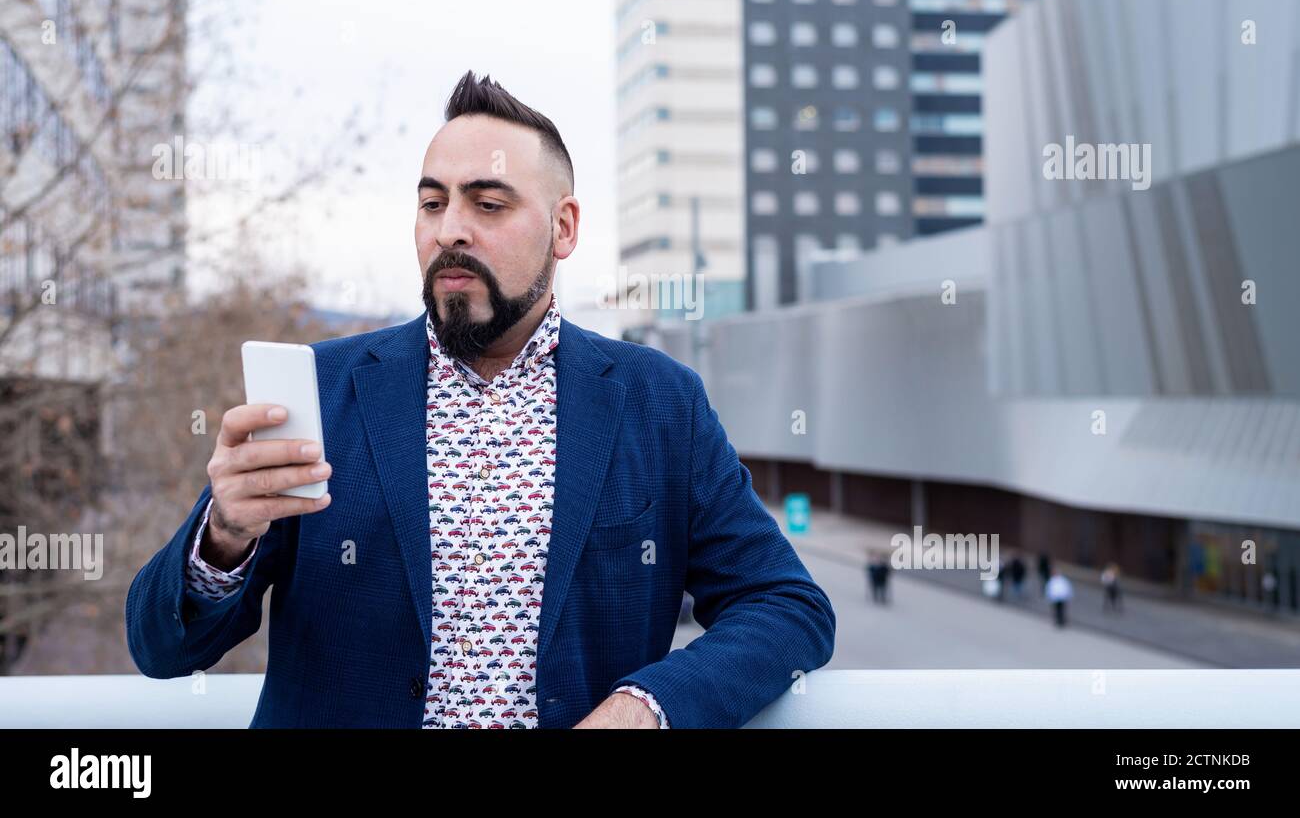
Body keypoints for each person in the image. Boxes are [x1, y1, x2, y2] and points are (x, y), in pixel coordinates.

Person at [125, 70, 836, 729]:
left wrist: (649, 704)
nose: (449, 229)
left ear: (564, 227)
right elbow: (161, 646)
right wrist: (223, 535)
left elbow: (786, 604)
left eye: (487, 202)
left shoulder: (658, 403)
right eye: (432, 202)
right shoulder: (322, 389)